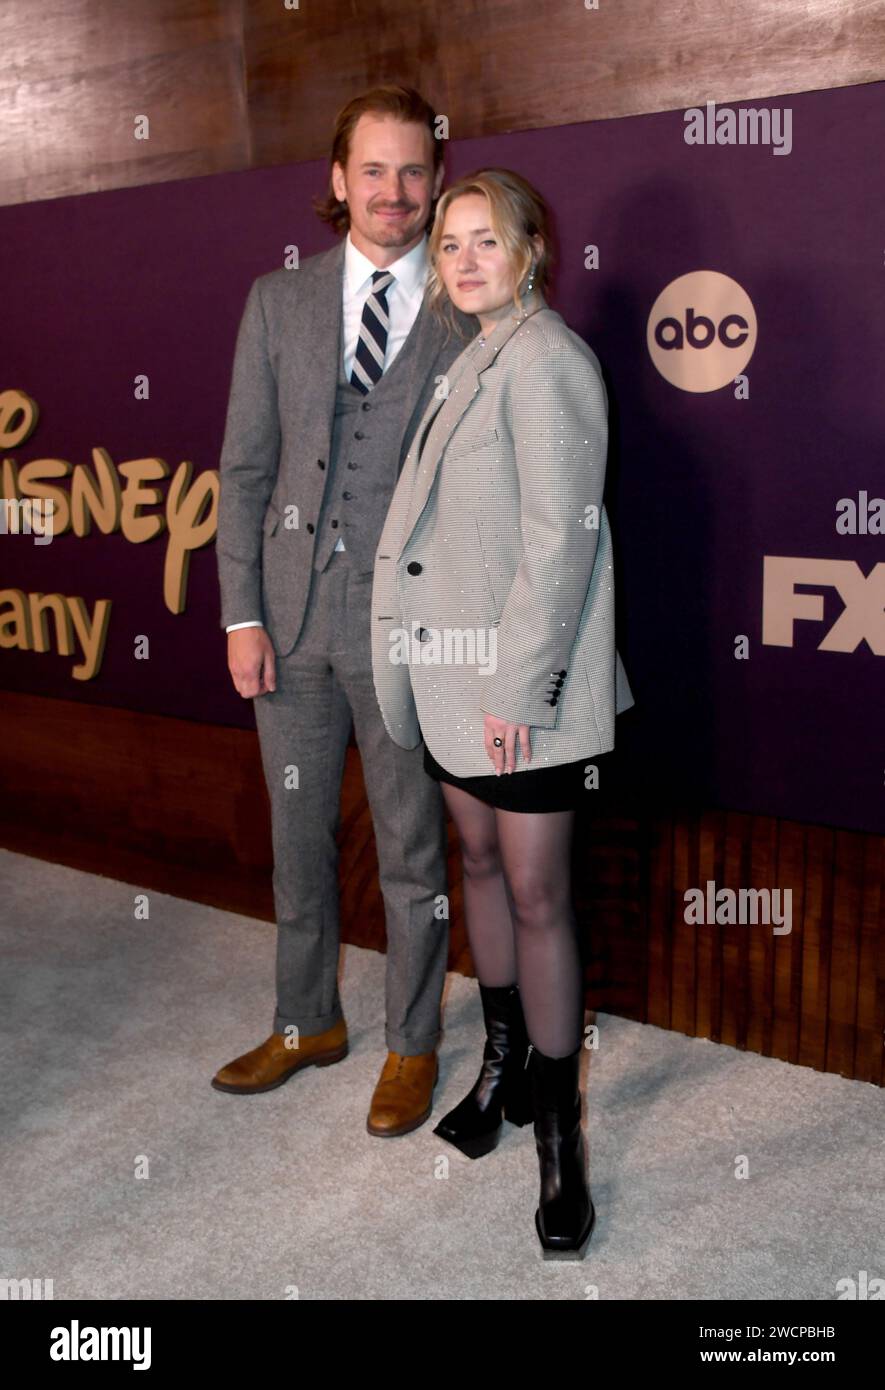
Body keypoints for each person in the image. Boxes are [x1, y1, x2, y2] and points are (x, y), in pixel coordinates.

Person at [371, 168, 635, 1255]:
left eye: (486, 240)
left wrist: (524, 685)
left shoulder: (549, 362)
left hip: (530, 692)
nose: (465, 259)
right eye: (448, 245)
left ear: (532, 249)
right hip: (452, 681)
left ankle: (561, 1140)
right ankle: (505, 1074)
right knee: (476, 869)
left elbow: (560, 542)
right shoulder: (469, 360)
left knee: (535, 894)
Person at [213, 86, 474, 1136]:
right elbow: (242, 469)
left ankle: (412, 1044)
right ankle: (304, 1019)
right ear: (337, 181)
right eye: (374, 170)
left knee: (413, 846)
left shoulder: (468, 311)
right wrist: (240, 614)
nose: (394, 193)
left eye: (414, 172)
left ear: (437, 182)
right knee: (297, 833)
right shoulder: (275, 302)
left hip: (407, 632)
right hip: (288, 621)